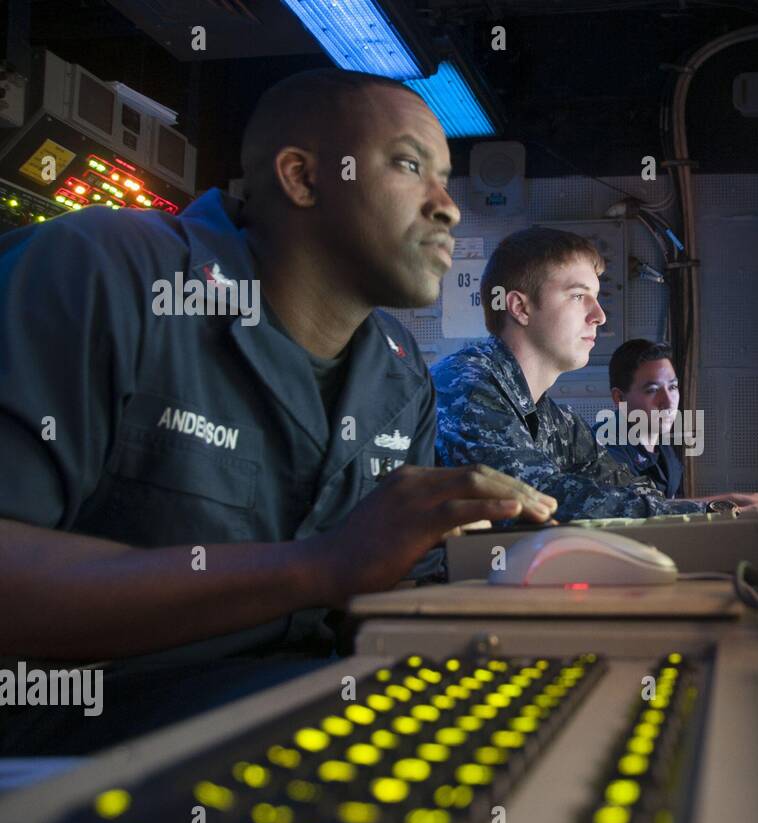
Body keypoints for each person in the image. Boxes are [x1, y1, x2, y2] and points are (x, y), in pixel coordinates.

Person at [0, 69, 555, 750]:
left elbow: (375, 599)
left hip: (299, 719)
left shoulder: (401, 370)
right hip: (71, 747)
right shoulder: (102, 272)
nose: (449, 208)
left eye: (445, 178)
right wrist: (318, 565)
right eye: (411, 166)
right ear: (301, 177)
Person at [433, 227, 758, 520]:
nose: (600, 315)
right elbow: (539, 500)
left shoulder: (556, 420)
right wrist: (714, 512)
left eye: (596, 297)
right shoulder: (467, 385)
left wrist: (727, 504)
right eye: (579, 296)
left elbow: (627, 491)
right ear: (521, 308)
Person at [598, 339, 685, 498]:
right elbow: (644, 512)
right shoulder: (604, 451)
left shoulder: (658, 438)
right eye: (652, 390)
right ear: (619, 398)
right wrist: (722, 504)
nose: (668, 402)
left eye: (672, 387)